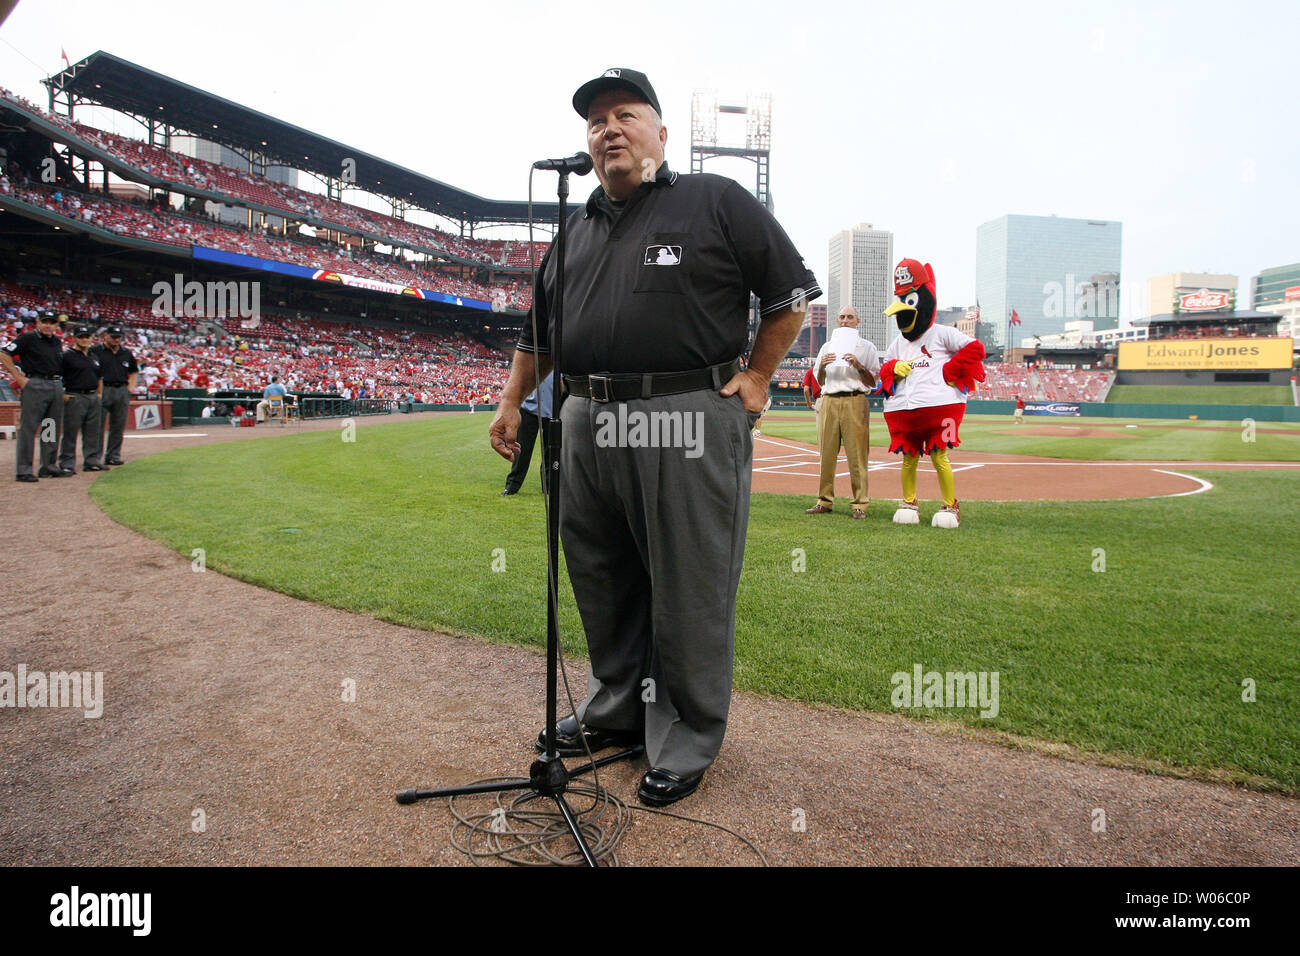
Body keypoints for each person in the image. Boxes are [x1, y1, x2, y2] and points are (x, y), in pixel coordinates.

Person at [488, 68, 819, 807]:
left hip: (684, 413)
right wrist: (513, 400)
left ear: (660, 132)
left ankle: (686, 733)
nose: (608, 128)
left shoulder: (714, 200)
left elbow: (791, 294)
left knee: (688, 584)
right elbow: (538, 333)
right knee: (601, 577)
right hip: (583, 414)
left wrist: (760, 376)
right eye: (596, 120)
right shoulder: (574, 227)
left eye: (625, 114)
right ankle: (616, 708)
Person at [878, 258, 986, 528]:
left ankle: (951, 505)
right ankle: (908, 502)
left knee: (939, 456)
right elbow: (884, 371)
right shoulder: (897, 343)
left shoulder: (941, 333)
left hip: (939, 407)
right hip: (905, 410)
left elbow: (975, 348)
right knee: (908, 459)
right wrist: (893, 368)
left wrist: (951, 370)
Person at [805, 306, 879, 518]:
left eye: (850, 317)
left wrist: (858, 365)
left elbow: (873, 381)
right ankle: (824, 500)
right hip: (829, 399)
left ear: (858, 321)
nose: (845, 320)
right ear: (837, 321)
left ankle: (860, 504)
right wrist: (821, 367)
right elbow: (820, 380)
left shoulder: (867, 347)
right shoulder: (827, 346)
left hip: (854, 399)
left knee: (857, 455)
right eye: (842, 317)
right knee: (826, 454)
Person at [1, 311, 68, 480]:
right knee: (28, 428)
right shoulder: (28, 338)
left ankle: (48, 466)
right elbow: (3, 353)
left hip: (55, 384)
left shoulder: (56, 341)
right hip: (35, 383)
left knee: (50, 426)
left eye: (51, 322)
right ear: (38, 322)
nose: (48, 325)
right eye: (44, 321)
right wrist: (19, 378)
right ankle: (24, 470)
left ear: (56, 325)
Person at [57, 326, 105, 473]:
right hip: (75, 395)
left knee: (92, 432)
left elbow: (99, 377)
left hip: (92, 396)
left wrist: (99, 394)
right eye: (81, 337)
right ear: (75, 338)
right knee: (71, 431)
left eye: (87, 337)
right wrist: (63, 393)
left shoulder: (93, 356)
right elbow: (58, 375)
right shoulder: (67, 356)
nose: (84, 340)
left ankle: (91, 461)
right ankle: (67, 463)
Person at [500, 372, 553, 496]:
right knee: (521, 451)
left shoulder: (558, 362)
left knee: (551, 453)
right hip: (529, 409)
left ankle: (550, 487)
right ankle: (512, 486)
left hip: (552, 411)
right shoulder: (531, 359)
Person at [91, 327, 138, 466]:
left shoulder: (126, 352)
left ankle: (113, 455)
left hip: (121, 389)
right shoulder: (95, 351)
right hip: (102, 388)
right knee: (97, 425)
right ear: (105, 336)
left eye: (118, 337)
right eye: (113, 337)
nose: (116, 339)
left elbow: (134, 371)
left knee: (118, 425)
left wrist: (130, 387)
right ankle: (95, 457)